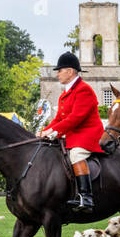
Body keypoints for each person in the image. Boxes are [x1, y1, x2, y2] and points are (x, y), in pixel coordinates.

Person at [39, 51, 104, 211]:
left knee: (76, 155)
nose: (57, 74)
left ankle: (86, 197)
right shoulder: (65, 94)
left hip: (88, 134)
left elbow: (76, 118)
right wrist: (43, 132)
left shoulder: (84, 90)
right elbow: (59, 119)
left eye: (60, 70)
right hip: (73, 134)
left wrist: (53, 132)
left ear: (70, 71)